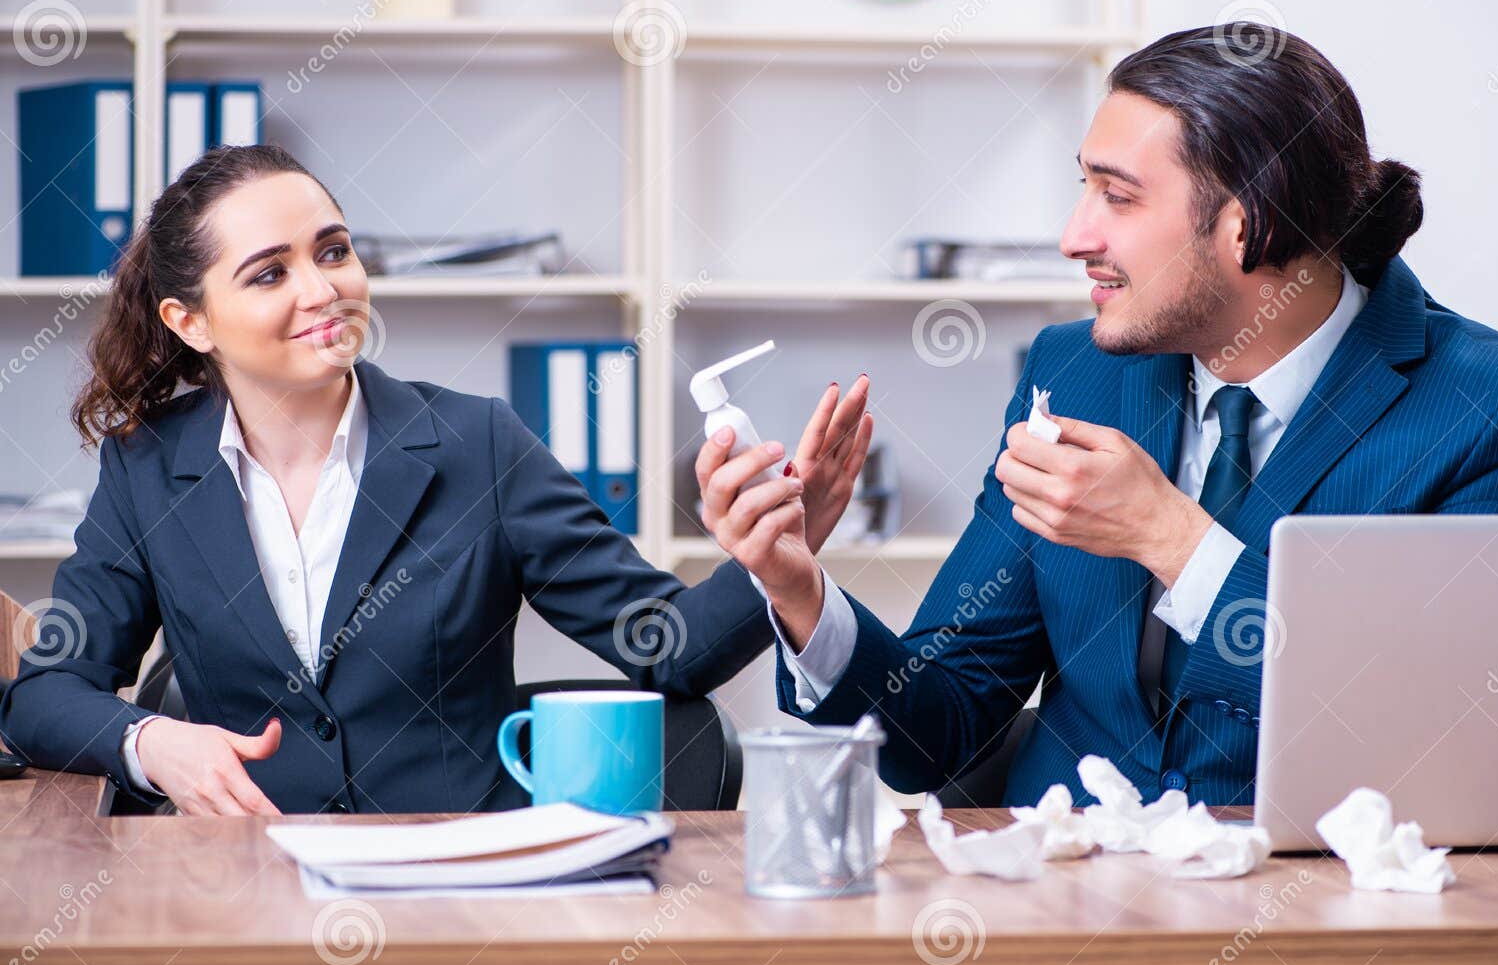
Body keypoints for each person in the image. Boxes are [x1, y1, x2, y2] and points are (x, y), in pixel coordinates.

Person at [694, 24, 1498, 809]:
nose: (1074, 235)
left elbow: (1443, 731)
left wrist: (1175, 542)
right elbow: (935, 731)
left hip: (1320, 926)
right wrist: (797, 587)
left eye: (1116, 197)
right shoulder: (1074, 370)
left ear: (1246, 225)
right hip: (1058, 910)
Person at [0, 144, 872, 816]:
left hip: (462, 894)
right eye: (270, 273)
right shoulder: (150, 467)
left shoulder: (474, 442)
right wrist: (157, 746)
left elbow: (666, 645)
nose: (322, 290)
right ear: (191, 322)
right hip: (246, 886)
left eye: (333, 251)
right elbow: (46, 693)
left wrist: (775, 558)